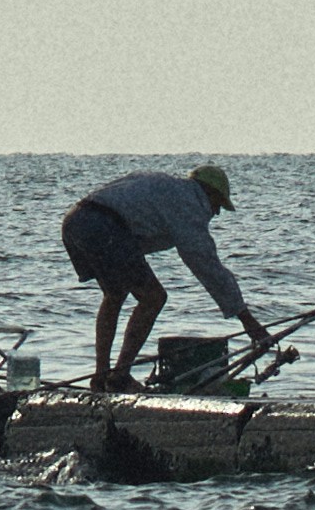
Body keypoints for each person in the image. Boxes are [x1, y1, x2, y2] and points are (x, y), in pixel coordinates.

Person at [61, 164, 274, 390]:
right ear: (208, 192)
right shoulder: (190, 204)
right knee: (153, 298)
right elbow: (207, 266)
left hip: (76, 220)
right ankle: (119, 375)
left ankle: (101, 376)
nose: (217, 212)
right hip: (104, 226)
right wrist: (249, 322)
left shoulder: (166, 186)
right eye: (218, 204)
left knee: (115, 294)